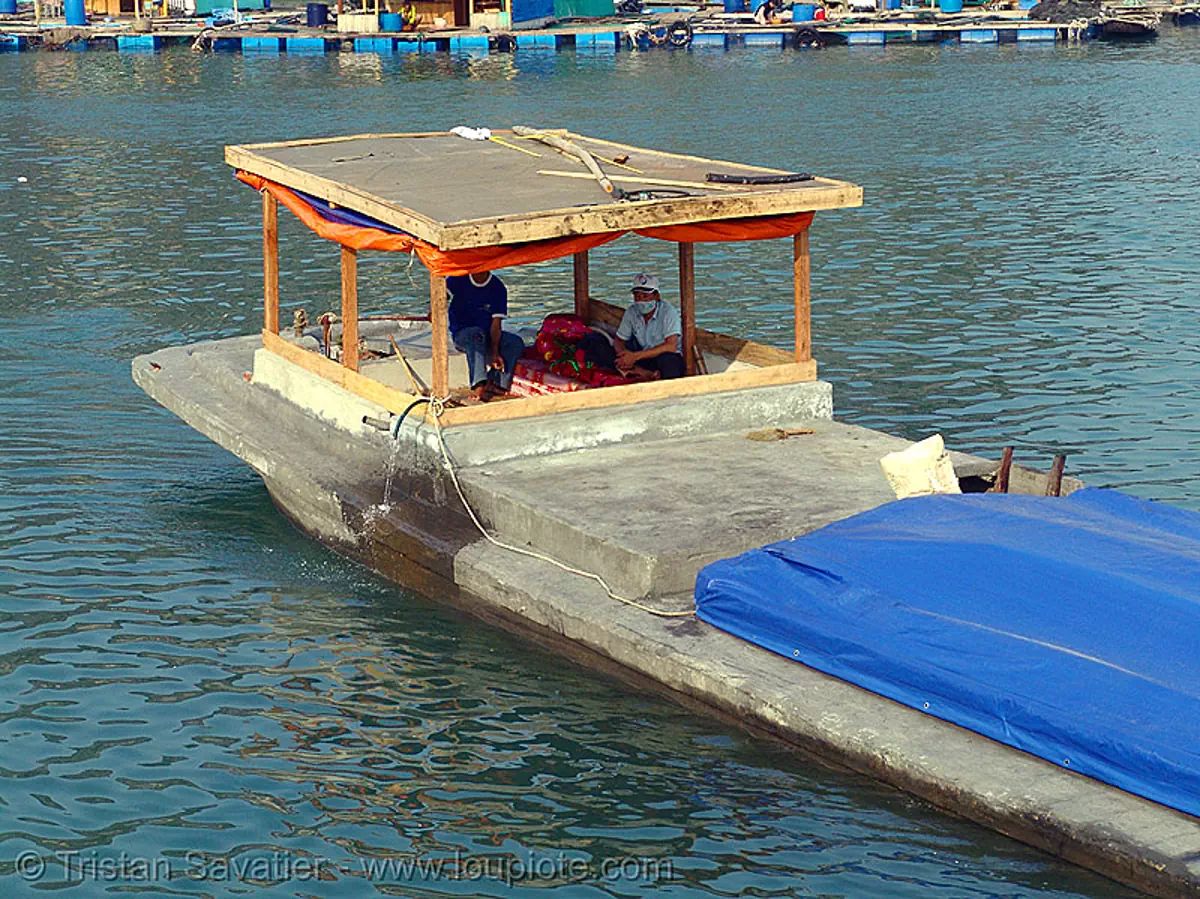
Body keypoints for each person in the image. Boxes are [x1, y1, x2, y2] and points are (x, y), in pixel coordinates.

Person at [447, 270, 525, 401]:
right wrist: (433, 311)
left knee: (515, 343)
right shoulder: (458, 279)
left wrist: (495, 351)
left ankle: (496, 382)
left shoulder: (497, 287)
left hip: (486, 334)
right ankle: (478, 384)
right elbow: (441, 296)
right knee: (476, 334)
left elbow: (496, 323)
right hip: (463, 334)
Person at [614, 273, 685, 381]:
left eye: (645, 296)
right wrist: (624, 357)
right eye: (637, 296)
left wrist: (635, 356)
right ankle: (644, 373)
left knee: (668, 361)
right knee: (604, 352)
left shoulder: (668, 312)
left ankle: (644, 374)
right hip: (643, 356)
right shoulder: (632, 311)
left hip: (662, 356)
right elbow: (619, 340)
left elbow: (671, 346)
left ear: (656, 296)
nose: (641, 301)